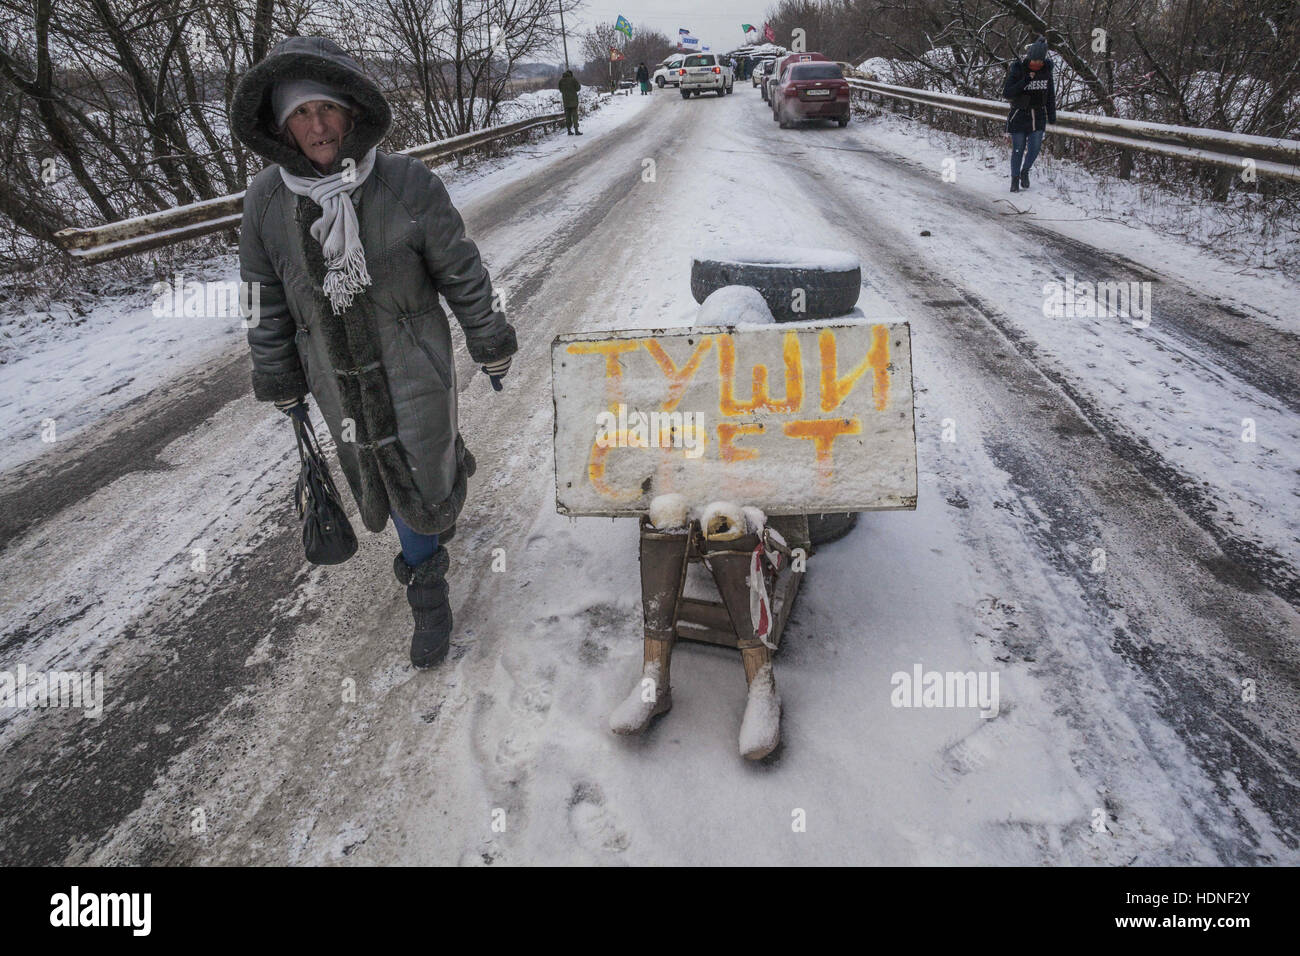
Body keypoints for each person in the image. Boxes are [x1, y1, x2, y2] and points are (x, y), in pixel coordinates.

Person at [231, 36, 517, 669]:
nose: (317, 125)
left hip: (415, 361)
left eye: (327, 107)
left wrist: (487, 335)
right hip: (334, 379)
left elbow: (460, 269)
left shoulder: (405, 183)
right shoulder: (266, 204)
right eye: (300, 114)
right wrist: (276, 373)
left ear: (353, 110)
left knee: (416, 465)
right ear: (280, 126)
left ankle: (428, 592)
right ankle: (433, 519)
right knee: (383, 472)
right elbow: (261, 298)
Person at [1003, 36, 1057, 193]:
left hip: (1038, 115)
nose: (1037, 64)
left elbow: (1050, 95)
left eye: (1040, 61)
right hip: (1019, 114)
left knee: (1035, 148)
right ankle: (1014, 179)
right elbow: (1007, 93)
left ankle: (1024, 171)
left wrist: (1051, 115)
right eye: (1034, 61)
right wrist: (1025, 80)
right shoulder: (1018, 68)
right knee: (1018, 149)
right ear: (1029, 57)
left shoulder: (1046, 71)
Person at [559, 69, 582, 134]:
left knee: (567, 116)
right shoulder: (573, 79)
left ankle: (569, 131)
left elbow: (560, 90)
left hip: (565, 101)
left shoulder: (561, 81)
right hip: (573, 101)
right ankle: (576, 130)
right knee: (575, 116)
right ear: (571, 74)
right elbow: (578, 88)